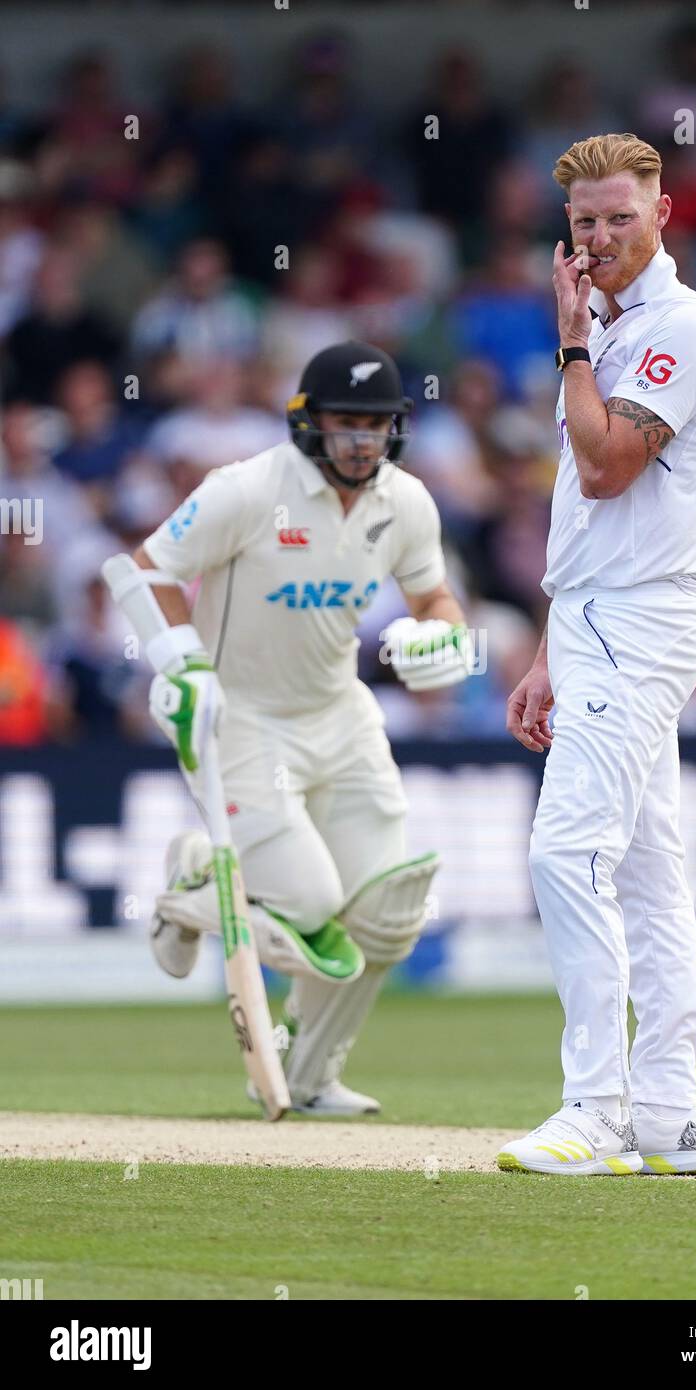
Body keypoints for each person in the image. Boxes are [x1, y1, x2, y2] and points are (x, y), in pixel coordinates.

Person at [118, 341, 472, 1114]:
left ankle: (309, 1078)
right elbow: (146, 568)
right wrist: (184, 666)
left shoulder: (405, 502)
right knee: (311, 908)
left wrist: (445, 637)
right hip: (242, 718)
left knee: (387, 914)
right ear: (308, 423)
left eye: (374, 426)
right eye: (345, 423)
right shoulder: (246, 490)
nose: (359, 442)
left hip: (339, 715)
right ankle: (193, 884)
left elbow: (436, 599)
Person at [499, 134, 696, 1176]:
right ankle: (667, 1114)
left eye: (616, 218)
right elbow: (584, 520)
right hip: (597, 613)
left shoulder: (675, 330)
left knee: (566, 852)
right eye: (581, 222)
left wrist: (565, 344)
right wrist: (549, 645)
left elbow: (602, 471)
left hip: (639, 621)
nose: (595, 237)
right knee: (644, 868)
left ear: (661, 215)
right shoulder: (614, 323)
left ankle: (592, 1109)